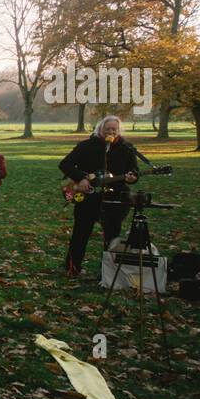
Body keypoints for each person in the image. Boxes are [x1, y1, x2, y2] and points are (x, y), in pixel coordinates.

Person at [59, 114, 139, 277]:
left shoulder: (126, 148)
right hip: (88, 198)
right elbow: (65, 164)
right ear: (100, 129)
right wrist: (81, 178)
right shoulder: (86, 146)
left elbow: (134, 171)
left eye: (114, 129)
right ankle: (73, 267)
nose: (111, 131)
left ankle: (108, 273)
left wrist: (132, 178)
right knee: (81, 233)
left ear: (119, 131)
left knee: (112, 236)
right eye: (107, 128)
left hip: (116, 198)